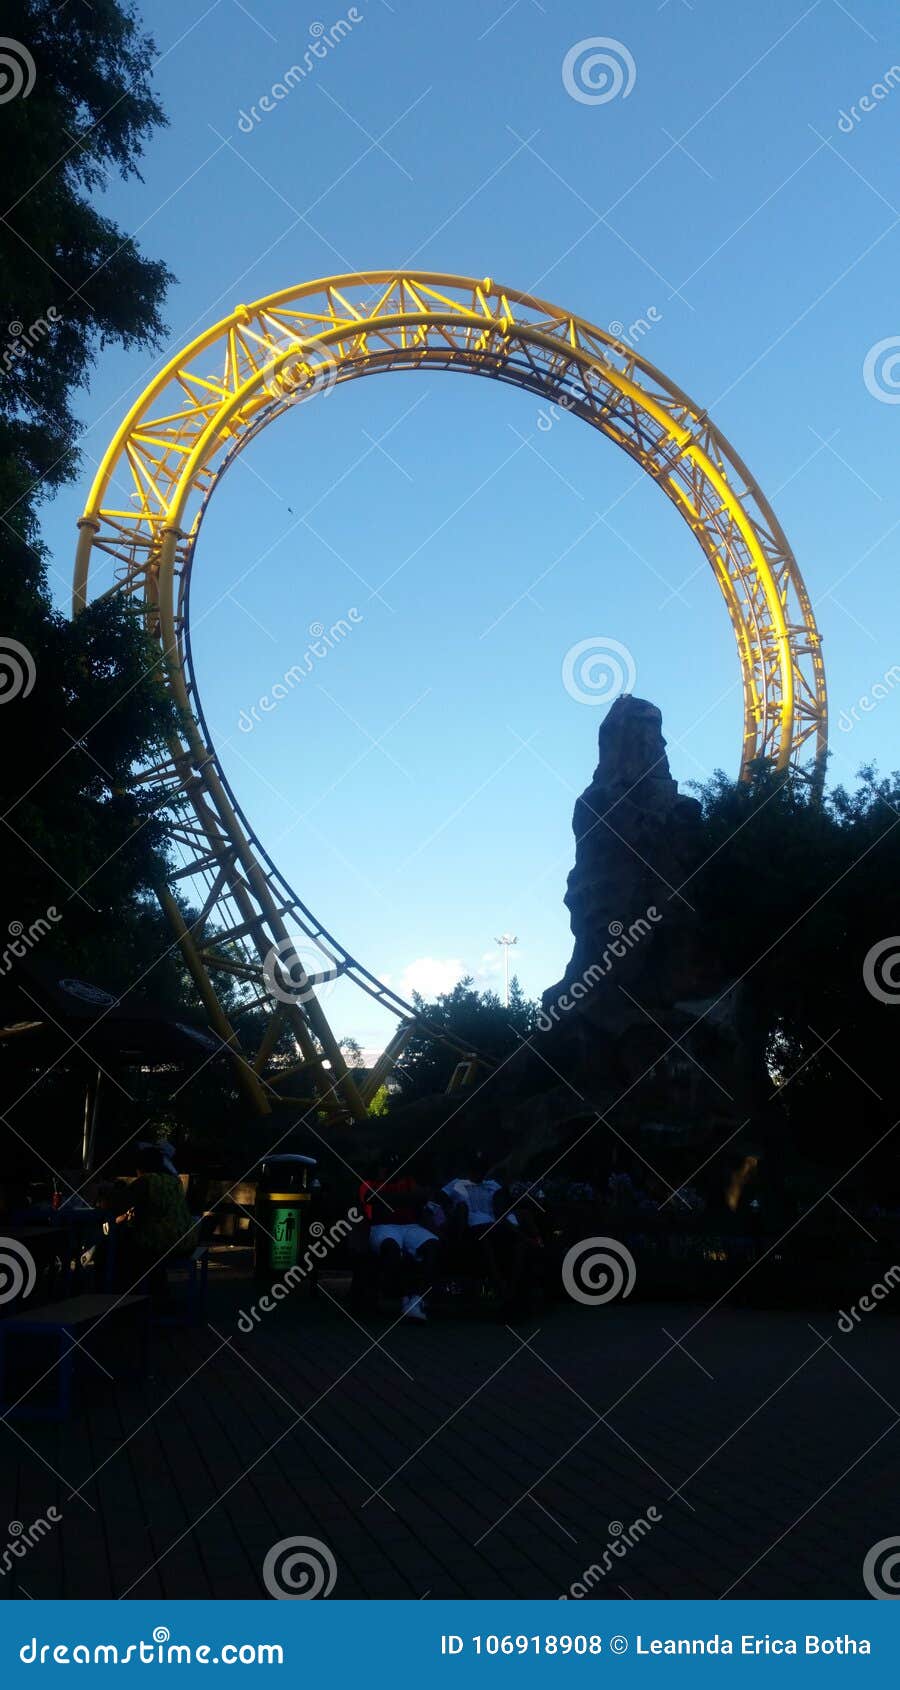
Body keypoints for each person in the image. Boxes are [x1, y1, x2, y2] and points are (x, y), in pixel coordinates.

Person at [358, 1159, 439, 1322]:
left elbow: (423, 1195)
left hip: (410, 1226)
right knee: (392, 1249)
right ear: (378, 1168)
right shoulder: (368, 1184)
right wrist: (407, 1199)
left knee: (432, 1245)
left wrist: (392, 1199)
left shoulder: (408, 1182)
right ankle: (402, 1297)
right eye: (386, 1167)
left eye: (394, 1168)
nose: (389, 1171)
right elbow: (372, 1198)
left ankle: (416, 1299)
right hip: (381, 1227)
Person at [113, 1145, 197, 1295]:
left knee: (123, 1244)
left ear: (140, 1168)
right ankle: (157, 1292)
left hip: (166, 1243)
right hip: (187, 1241)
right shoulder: (174, 1181)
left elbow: (119, 1203)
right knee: (147, 1240)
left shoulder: (146, 1181)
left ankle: (127, 1296)